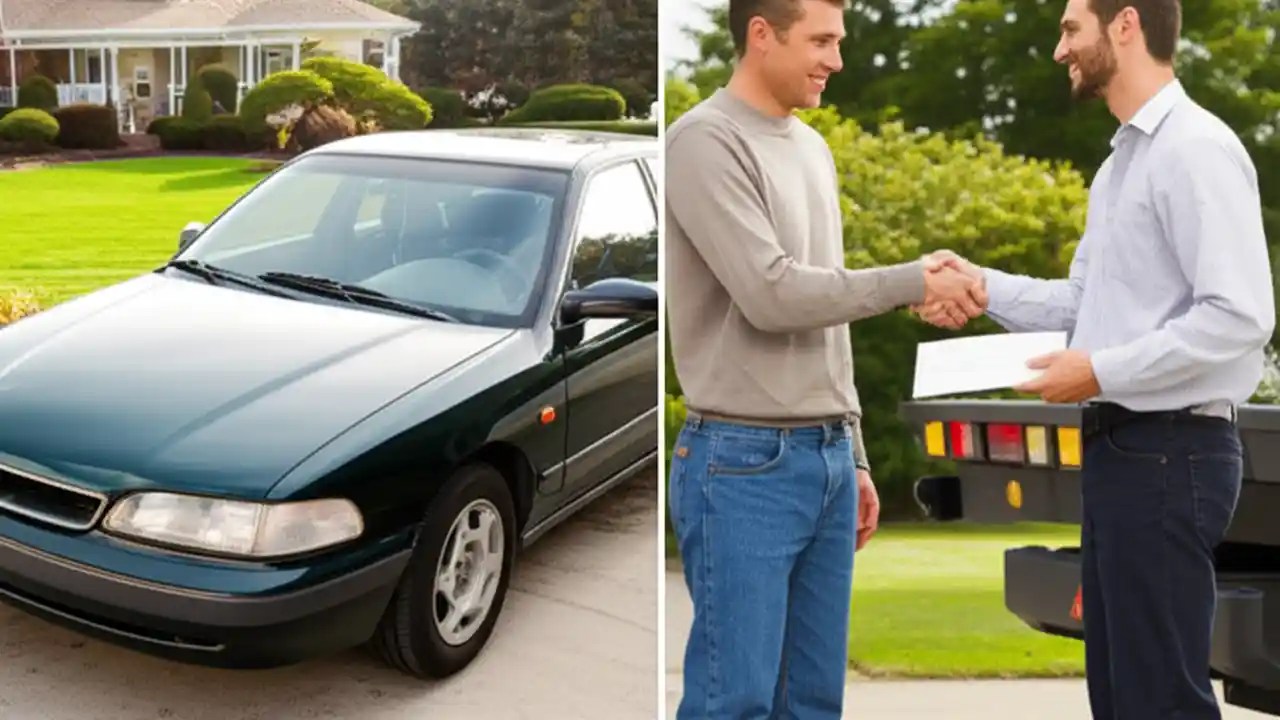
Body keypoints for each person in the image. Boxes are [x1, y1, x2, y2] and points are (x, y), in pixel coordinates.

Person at [915, 0, 1276, 715]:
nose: (1059, 49)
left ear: (1126, 25)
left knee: (1159, 700)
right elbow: (1087, 303)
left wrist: (1100, 371)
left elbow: (1239, 314)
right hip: (1124, 450)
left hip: (1173, 453)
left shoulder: (1194, 149)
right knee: (1120, 696)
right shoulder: (1120, 167)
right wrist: (984, 287)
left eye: (1070, 28)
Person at [663, 0, 986, 717]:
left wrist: (855, 451)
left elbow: (826, 315)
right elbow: (771, 295)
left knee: (812, 701)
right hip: (742, 466)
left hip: (827, 457)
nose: (836, 60)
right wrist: (910, 282)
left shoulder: (811, 147)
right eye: (822, 40)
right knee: (734, 701)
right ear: (760, 34)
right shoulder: (704, 143)